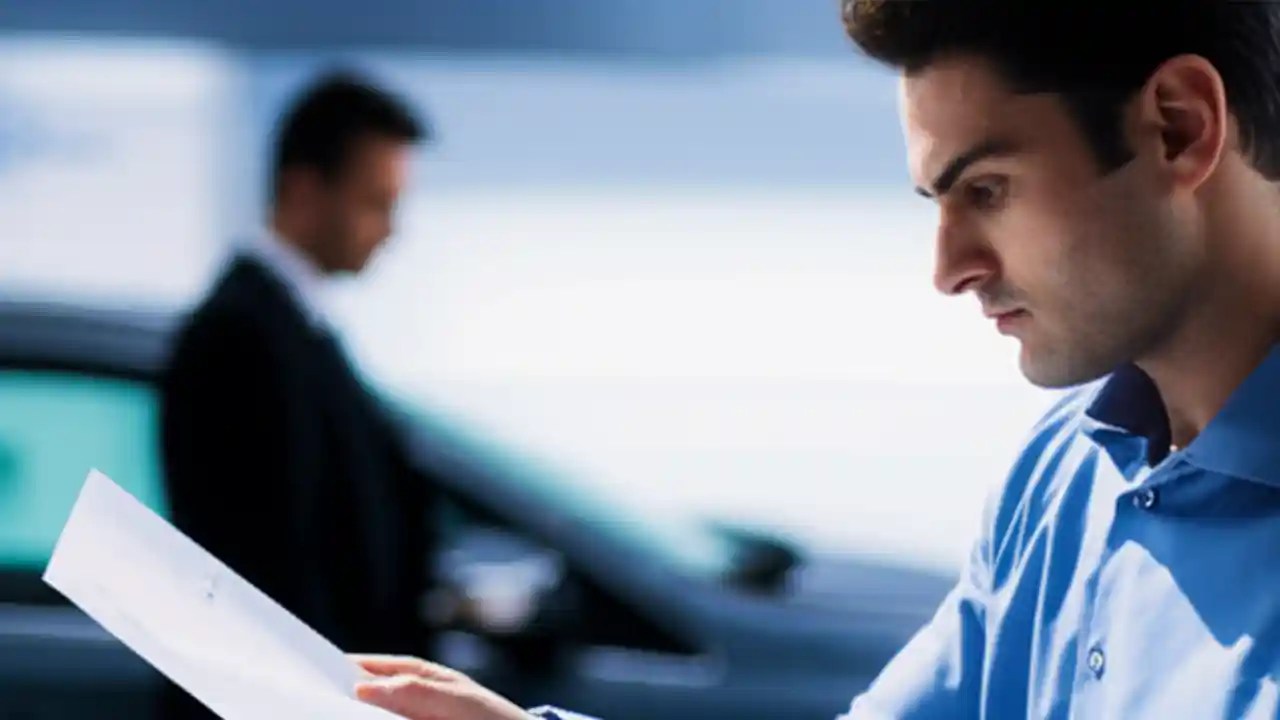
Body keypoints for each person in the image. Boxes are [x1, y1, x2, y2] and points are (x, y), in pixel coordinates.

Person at [348, 2, 1280, 719]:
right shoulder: (1063, 478)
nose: (950, 270)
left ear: (1178, 125)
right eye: (937, 203)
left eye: (988, 189)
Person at [159, 71, 435, 718]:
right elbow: (265, 564)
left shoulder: (292, 326)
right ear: (305, 190)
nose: (391, 230)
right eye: (376, 203)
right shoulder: (241, 335)